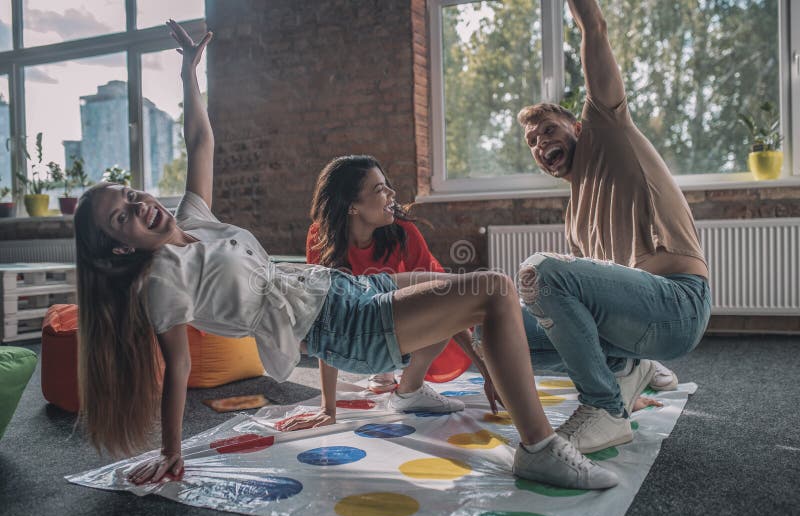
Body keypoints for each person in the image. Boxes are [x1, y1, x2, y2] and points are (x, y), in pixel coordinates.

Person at [74, 20, 618, 491]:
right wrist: (174, 450)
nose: (137, 204)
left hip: (349, 289)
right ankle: (541, 450)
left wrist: (189, 74)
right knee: (496, 291)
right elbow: (178, 367)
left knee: (481, 291)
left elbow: (200, 144)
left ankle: (506, 393)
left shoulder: (193, 220)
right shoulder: (162, 279)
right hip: (341, 323)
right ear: (120, 246)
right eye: (121, 217)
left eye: (129, 195)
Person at [507, 0, 711, 454]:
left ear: (577, 125)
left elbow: (593, 29)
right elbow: (582, 308)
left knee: (541, 271)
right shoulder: (574, 215)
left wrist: (582, 12)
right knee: (497, 316)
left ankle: (606, 407)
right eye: (532, 142)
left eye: (547, 130)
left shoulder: (607, 129)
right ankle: (629, 368)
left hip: (678, 304)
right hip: (633, 320)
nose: (541, 144)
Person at [288, 155, 479, 428]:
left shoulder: (402, 229)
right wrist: (327, 409)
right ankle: (383, 367)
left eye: (387, 185)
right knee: (341, 305)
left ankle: (409, 389)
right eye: (380, 189)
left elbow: (449, 299)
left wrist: (485, 369)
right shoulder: (321, 238)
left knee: (439, 298)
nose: (392, 193)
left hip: (398, 316)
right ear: (352, 206)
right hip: (358, 330)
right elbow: (323, 321)